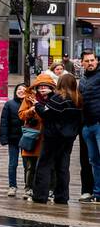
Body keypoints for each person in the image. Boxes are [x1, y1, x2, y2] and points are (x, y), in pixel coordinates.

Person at [31, 72, 84, 205]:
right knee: (63, 166)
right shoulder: (78, 99)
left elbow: (46, 114)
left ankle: (40, 195)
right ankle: (62, 196)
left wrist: (37, 105)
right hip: (69, 137)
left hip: (53, 136)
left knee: (45, 164)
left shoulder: (58, 98)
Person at [19, 76, 48, 200]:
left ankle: (47, 189)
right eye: (40, 86)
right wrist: (31, 111)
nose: (42, 89)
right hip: (32, 136)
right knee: (30, 165)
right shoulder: (29, 98)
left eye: (45, 86)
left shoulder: (53, 98)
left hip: (47, 135)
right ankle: (28, 188)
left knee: (47, 165)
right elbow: (21, 115)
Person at [0, 83, 29, 197]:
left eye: (24, 89)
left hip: (27, 139)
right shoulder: (9, 104)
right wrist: (4, 138)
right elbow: (4, 122)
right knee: (13, 164)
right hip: (13, 139)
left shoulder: (30, 104)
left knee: (27, 165)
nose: (21, 91)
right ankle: (12, 186)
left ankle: (28, 187)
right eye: (19, 89)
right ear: (15, 91)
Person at [80, 52, 100, 203]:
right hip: (87, 126)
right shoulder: (83, 79)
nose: (90, 63)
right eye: (87, 61)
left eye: (92, 60)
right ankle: (98, 193)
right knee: (94, 161)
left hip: (98, 124)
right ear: (82, 63)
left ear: (97, 61)